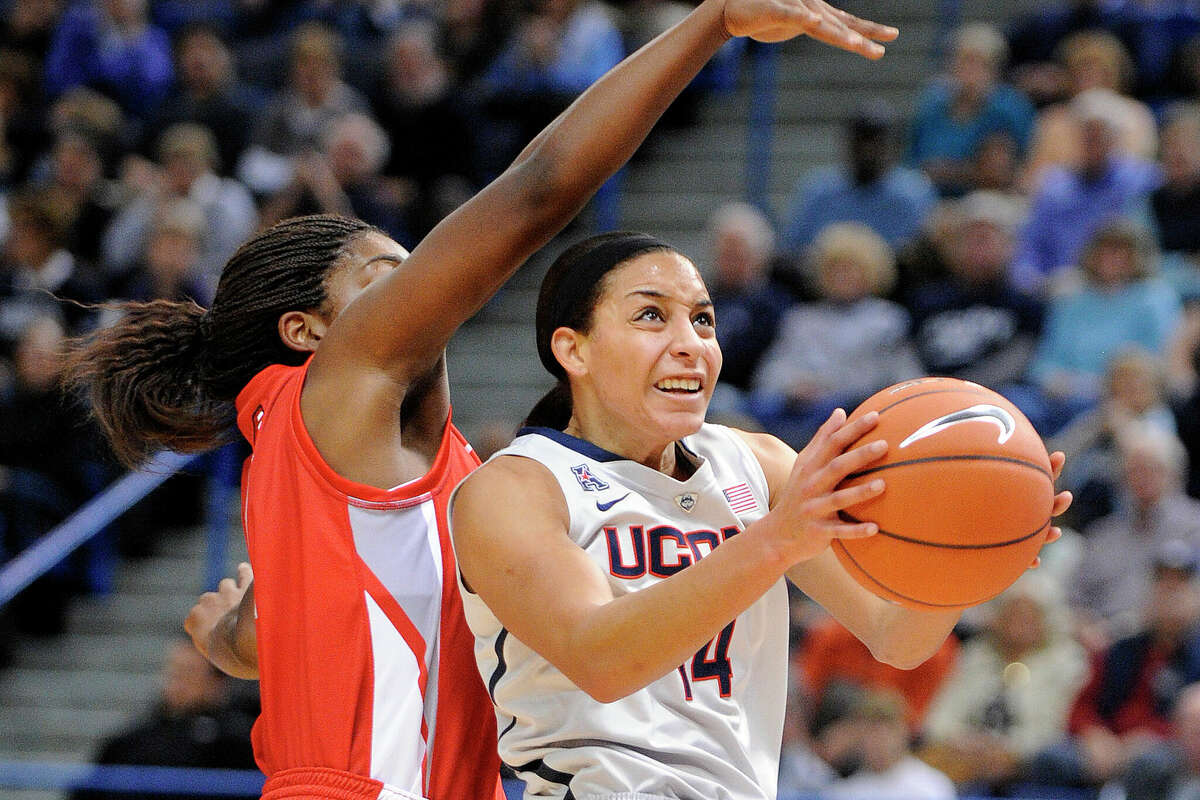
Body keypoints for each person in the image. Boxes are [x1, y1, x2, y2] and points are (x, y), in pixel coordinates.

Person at [65, 3, 904, 799]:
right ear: (306, 331)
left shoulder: (344, 463)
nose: (427, 287)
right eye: (388, 278)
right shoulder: (335, 392)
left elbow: (329, 630)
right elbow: (539, 188)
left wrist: (234, 639)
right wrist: (711, 23)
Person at [448, 230, 1071, 798]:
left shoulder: (757, 464)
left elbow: (896, 637)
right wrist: (775, 540)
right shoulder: (515, 488)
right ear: (573, 350)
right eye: (651, 316)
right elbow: (601, 661)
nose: (690, 345)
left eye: (702, 320)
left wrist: (966, 553)